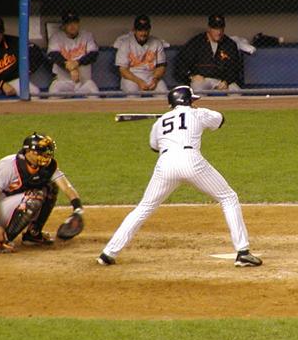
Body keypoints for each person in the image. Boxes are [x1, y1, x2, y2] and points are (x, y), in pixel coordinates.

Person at [97, 86, 260, 268]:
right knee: (228, 197)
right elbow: (220, 119)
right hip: (192, 161)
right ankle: (243, 252)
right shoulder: (199, 114)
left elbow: (154, 146)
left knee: (144, 208)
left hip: (165, 164)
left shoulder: (159, 123)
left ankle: (108, 253)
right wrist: (194, 115)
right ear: (188, 101)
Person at [0, 133, 84, 252]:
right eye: (41, 152)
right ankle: (3, 241)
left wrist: (78, 209)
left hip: (20, 203)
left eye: (47, 152)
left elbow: (66, 187)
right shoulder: (9, 165)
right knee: (35, 196)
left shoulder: (47, 166)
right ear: (29, 152)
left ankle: (33, 233)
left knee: (51, 187)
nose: (46, 156)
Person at [178, 14, 244, 93]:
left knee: (235, 91)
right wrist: (191, 76)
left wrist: (227, 81)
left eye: (221, 28)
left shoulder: (229, 44)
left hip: (222, 81)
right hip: (202, 80)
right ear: (209, 28)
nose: (218, 32)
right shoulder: (196, 42)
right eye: (215, 29)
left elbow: (235, 68)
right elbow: (181, 64)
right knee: (197, 87)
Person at [46, 11, 99, 97]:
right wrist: (71, 68)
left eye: (75, 22)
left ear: (79, 24)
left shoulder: (87, 36)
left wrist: (77, 63)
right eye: (69, 23)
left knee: (95, 94)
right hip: (63, 82)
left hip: (84, 81)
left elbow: (93, 55)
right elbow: (53, 55)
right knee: (53, 93)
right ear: (63, 26)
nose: (72, 26)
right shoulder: (56, 37)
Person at [114, 14, 168, 95]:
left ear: (149, 29)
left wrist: (155, 79)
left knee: (163, 93)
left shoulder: (157, 43)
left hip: (151, 77)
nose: (143, 33)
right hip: (132, 79)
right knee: (132, 94)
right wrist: (139, 81)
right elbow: (123, 71)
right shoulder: (125, 44)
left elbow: (161, 66)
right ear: (134, 30)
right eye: (140, 30)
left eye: (146, 30)